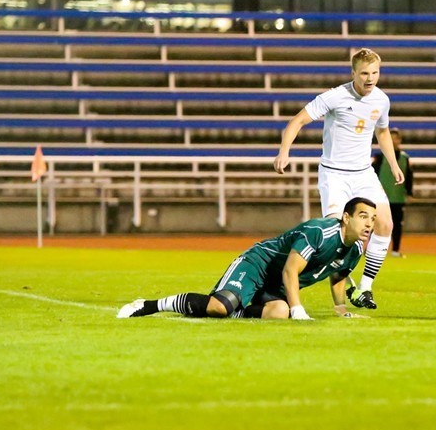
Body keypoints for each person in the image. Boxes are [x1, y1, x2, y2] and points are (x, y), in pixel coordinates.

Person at [273, 48, 403, 311]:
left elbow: (382, 132)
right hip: (334, 174)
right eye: (364, 73)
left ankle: (364, 288)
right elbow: (297, 121)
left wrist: (392, 164)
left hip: (363, 173)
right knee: (336, 235)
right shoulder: (335, 96)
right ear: (353, 73)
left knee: (385, 224)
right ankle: (332, 295)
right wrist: (284, 152)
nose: (370, 78)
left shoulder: (381, 100)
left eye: (375, 73)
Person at [116, 197, 377, 321]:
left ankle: (237, 312)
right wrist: (299, 310)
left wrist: (340, 309)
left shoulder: (355, 250)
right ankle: (150, 305)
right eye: (363, 216)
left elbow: (338, 276)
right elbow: (290, 271)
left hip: (276, 285)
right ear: (346, 217)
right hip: (258, 265)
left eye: (373, 219)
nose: (369, 223)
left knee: (279, 312)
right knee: (220, 306)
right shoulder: (319, 232)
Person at [372, 128, 414, 257]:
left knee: (397, 225)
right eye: (391, 138)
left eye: (396, 138)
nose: (394, 141)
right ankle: (373, 249)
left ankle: (395, 250)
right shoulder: (379, 157)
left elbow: (409, 176)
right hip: (380, 197)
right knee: (376, 223)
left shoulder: (405, 158)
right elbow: (372, 174)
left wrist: (409, 193)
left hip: (397, 196)